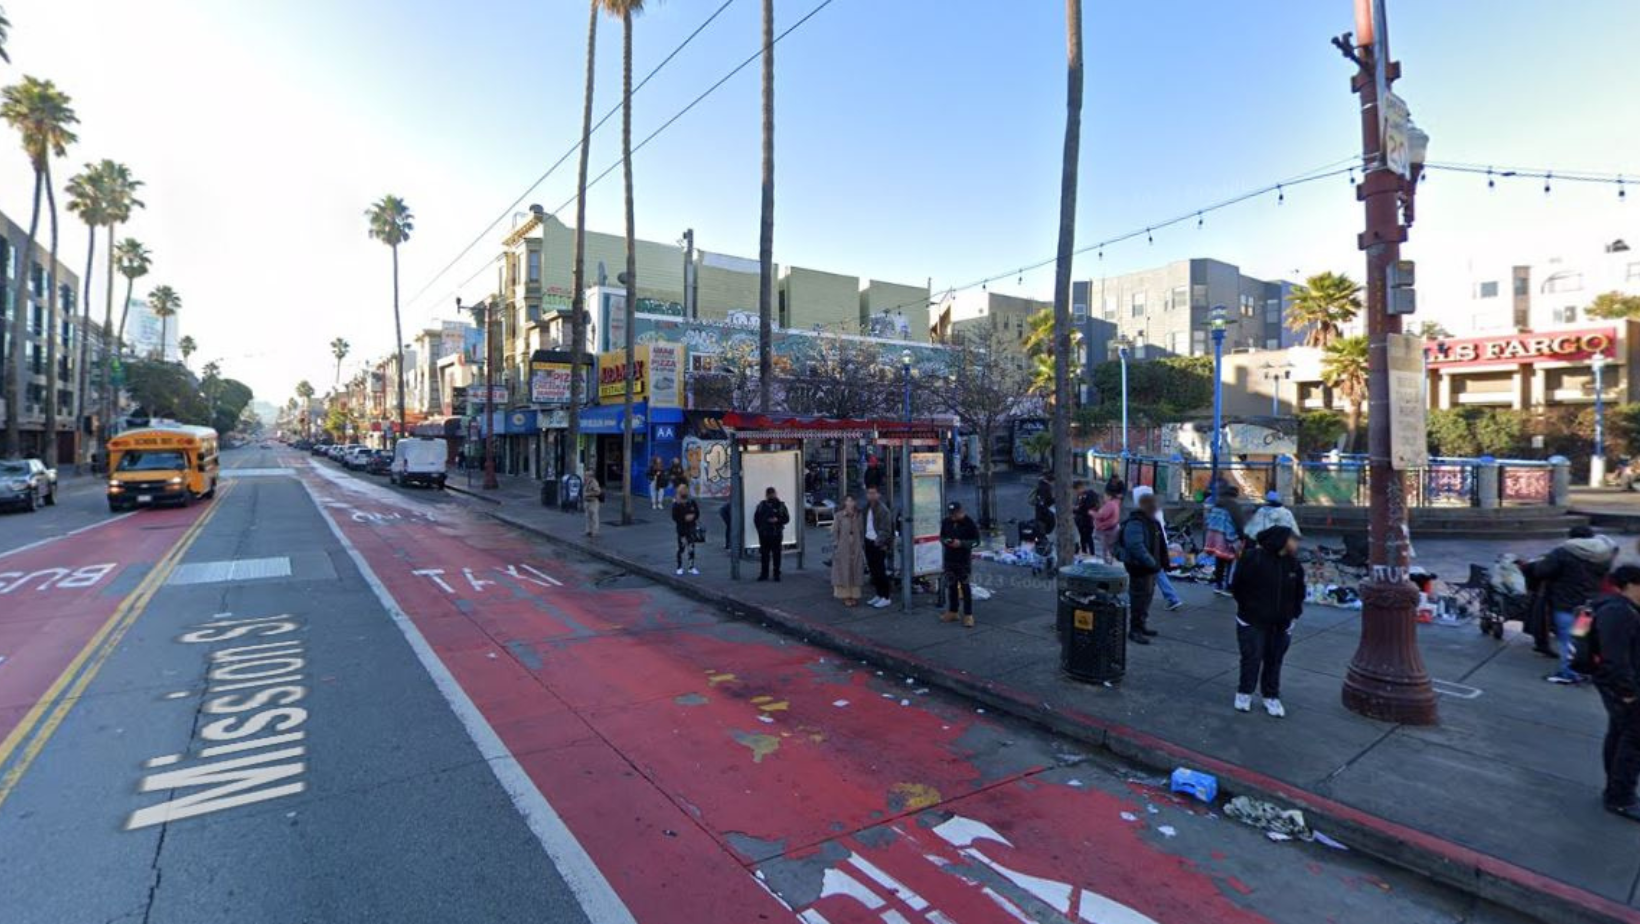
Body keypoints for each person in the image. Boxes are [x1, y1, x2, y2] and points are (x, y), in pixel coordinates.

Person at [1229, 525, 1306, 717]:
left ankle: (1271, 696)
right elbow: (1237, 586)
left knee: (1274, 660)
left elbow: (1299, 592)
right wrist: (1248, 609)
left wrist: (1293, 615)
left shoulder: (1293, 565)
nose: (1295, 543)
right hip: (1252, 620)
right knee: (1251, 658)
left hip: (1281, 623)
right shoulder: (1252, 558)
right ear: (1280, 540)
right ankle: (1244, 693)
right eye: (1292, 539)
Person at [1527, 525, 1619, 683]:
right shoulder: (1603, 554)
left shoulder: (1563, 552)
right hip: (1589, 604)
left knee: (1567, 639)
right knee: (1580, 637)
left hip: (1566, 604)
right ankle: (1584, 670)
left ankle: (1569, 673)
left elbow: (1542, 571)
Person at [1592, 565, 1640, 821]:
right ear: (1630, 585)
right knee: (1632, 740)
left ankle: (1615, 789)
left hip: (1619, 685)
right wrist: (1628, 692)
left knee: (1621, 733)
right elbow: (1615, 659)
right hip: (1623, 688)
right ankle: (1620, 797)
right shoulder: (1619, 612)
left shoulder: (1617, 607)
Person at [1119, 487, 1167, 645]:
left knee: (1146, 598)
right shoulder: (1136, 522)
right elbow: (1136, 546)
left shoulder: (1149, 521)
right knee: (1139, 599)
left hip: (1148, 568)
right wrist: (1151, 562)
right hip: (1140, 568)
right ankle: (1135, 630)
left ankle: (1141, 626)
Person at [940, 501, 982, 627]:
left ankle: (968, 614)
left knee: (965, 587)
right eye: (951, 514)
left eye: (955, 514)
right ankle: (953, 611)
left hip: (963, 560)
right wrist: (947, 541)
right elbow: (942, 536)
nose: (953, 517)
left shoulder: (969, 523)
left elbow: (976, 541)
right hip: (950, 558)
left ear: (961, 512)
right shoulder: (946, 522)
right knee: (951, 586)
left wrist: (962, 544)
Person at [1204, 485, 1246, 593]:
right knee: (1231, 562)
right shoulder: (1233, 506)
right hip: (1228, 538)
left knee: (1219, 561)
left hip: (1215, 540)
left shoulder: (1216, 505)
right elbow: (1239, 523)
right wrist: (1242, 537)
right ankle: (1228, 586)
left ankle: (1218, 585)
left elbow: (1208, 521)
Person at [862, 485, 895, 608]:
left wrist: (879, 541)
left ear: (878, 495)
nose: (871, 496)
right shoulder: (866, 508)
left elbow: (886, 529)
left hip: (877, 543)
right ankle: (879, 594)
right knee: (873, 570)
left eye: (873, 493)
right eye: (869, 493)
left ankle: (885, 596)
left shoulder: (883, 510)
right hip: (868, 541)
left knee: (880, 570)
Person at [1151, 495, 1185, 612]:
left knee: (1156, 572)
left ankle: (1173, 597)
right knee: (1156, 572)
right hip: (1159, 544)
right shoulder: (1157, 511)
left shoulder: (1151, 512)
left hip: (1154, 545)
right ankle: (1172, 597)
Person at [831, 495, 866, 606]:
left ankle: (854, 595)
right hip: (843, 546)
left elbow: (861, 530)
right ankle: (845, 596)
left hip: (856, 546)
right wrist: (836, 544)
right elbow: (835, 531)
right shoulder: (839, 516)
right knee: (844, 570)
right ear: (845, 502)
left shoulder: (858, 515)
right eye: (848, 500)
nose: (850, 503)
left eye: (852, 500)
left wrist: (861, 544)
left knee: (855, 570)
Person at [753, 486, 791, 582]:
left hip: (776, 534)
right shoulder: (762, 505)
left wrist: (777, 520)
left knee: (776, 555)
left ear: (775, 494)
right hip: (764, 534)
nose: (771, 495)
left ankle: (776, 574)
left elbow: (786, 519)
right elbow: (756, 519)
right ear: (766, 495)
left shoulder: (780, 505)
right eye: (769, 494)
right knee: (764, 555)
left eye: (772, 493)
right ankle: (764, 574)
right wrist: (760, 530)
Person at [671, 483, 701, 576]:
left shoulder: (691, 502)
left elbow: (697, 512)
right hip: (682, 529)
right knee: (681, 548)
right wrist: (684, 518)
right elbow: (674, 517)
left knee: (691, 548)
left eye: (685, 490)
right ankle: (679, 567)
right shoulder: (676, 504)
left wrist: (693, 517)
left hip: (691, 527)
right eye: (682, 490)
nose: (684, 492)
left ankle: (691, 567)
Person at [1093, 488, 1122, 564]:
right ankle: (1109, 563)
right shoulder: (1114, 504)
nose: (1103, 498)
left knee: (1107, 550)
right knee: (1109, 549)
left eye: (1105, 496)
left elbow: (1102, 516)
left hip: (1109, 531)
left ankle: (1108, 565)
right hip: (1111, 530)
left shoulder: (1110, 505)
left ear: (1109, 496)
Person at [1072, 479, 1097, 556]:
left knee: (1088, 538)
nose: (1076, 492)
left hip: (1087, 521)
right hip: (1082, 521)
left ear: (1080, 487)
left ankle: (1091, 553)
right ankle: (1085, 552)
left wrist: (1076, 509)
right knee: (1083, 538)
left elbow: (1085, 508)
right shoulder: (1081, 496)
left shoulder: (1088, 495)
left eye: (1076, 490)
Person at [1033, 471, 1056, 536]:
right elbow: (1043, 502)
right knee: (1042, 531)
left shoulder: (1043, 486)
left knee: (1042, 530)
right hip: (1043, 515)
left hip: (1042, 514)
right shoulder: (1044, 487)